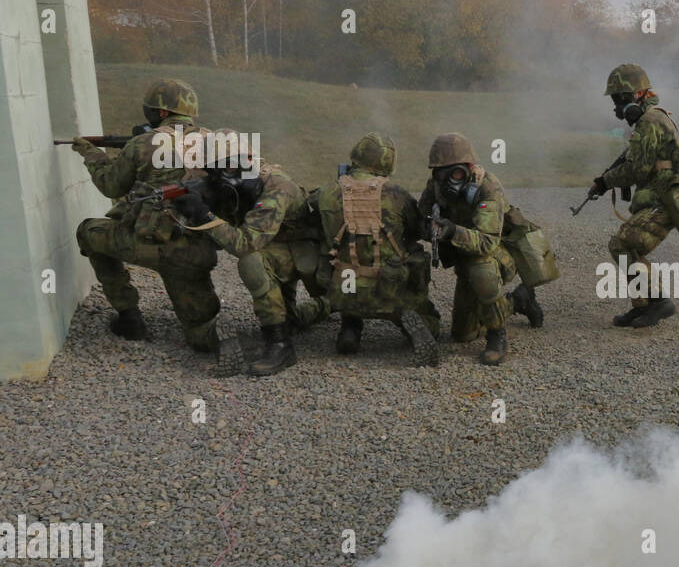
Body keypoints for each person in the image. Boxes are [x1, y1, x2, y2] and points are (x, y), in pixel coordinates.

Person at [72, 79, 243, 374]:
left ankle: (129, 316)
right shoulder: (217, 142)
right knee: (199, 332)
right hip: (194, 253)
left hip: (144, 245)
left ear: (162, 113)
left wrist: (92, 154)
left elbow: (110, 184)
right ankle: (210, 335)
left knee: (89, 231)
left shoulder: (143, 143)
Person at [170, 132, 329, 377]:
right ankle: (283, 332)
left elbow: (244, 243)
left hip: (309, 255)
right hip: (277, 250)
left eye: (217, 171)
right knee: (287, 311)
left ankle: (296, 333)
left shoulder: (277, 187)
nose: (212, 178)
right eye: (210, 172)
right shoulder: (234, 184)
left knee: (252, 261)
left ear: (237, 165)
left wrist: (205, 216)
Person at [587, 63, 679, 328]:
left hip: (667, 197)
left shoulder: (651, 121)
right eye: (615, 99)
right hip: (663, 195)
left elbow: (636, 169)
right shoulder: (648, 120)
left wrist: (605, 181)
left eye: (621, 98)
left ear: (639, 95)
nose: (617, 105)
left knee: (623, 245)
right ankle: (643, 305)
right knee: (624, 246)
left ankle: (657, 301)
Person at [314, 132, 440, 366]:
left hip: (344, 289)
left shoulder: (326, 192)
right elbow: (416, 232)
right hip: (390, 289)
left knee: (341, 258)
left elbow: (309, 224)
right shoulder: (397, 194)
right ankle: (407, 317)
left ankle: (350, 326)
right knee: (432, 325)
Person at [418, 133, 536, 366]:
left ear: (470, 168)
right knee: (462, 335)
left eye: (456, 172)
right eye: (440, 173)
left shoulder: (487, 188)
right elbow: (420, 217)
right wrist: (427, 228)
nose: (447, 179)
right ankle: (519, 301)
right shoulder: (436, 186)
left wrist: (451, 232)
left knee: (480, 269)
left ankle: (497, 335)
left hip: (495, 257)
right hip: (465, 259)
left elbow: (487, 243)